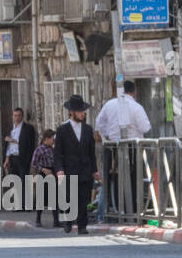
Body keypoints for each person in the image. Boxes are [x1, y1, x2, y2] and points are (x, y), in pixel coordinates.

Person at [94, 80, 152, 223]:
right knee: (134, 181)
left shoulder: (109, 105)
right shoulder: (136, 107)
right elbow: (145, 128)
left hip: (111, 148)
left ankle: (109, 213)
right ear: (133, 92)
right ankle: (132, 212)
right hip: (133, 149)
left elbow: (99, 124)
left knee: (110, 180)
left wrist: (108, 136)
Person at [54, 94, 98, 235]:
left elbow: (92, 152)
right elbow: (58, 153)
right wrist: (59, 169)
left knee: (84, 199)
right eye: (80, 111)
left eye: (83, 111)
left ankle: (82, 226)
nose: (82, 114)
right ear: (72, 112)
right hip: (69, 169)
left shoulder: (87, 129)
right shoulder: (62, 130)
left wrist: (95, 170)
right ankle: (67, 221)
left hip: (85, 169)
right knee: (70, 197)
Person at [30, 129, 59, 227]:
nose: (53, 141)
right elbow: (34, 163)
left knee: (54, 197)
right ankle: (38, 219)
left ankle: (56, 221)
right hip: (43, 174)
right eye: (52, 139)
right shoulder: (39, 149)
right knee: (41, 197)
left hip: (52, 173)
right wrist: (42, 169)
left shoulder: (52, 149)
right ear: (47, 139)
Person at [3, 107, 36, 185]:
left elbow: (31, 145)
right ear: (12, 116)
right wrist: (7, 159)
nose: (17, 117)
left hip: (23, 160)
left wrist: (28, 161)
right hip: (12, 159)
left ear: (22, 116)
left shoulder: (28, 128)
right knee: (15, 183)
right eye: (15, 115)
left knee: (24, 183)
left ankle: (25, 197)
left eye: (19, 115)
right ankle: (18, 197)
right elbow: (8, 146)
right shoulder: (10, 129)